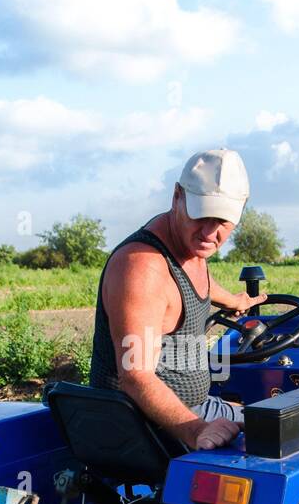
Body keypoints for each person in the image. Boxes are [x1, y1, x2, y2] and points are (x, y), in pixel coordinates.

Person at [90, 148, 267, 450]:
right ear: (177, 197)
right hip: (146, 426)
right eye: (203, 215)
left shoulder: (188, 246)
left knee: (284, 422)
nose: (211, 232)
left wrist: (234, 301)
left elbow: (200, 280)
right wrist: (195, 430)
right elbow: (134, 377)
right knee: (279, 442)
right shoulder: (142, 267)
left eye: (223, 220)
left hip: (199, 406)